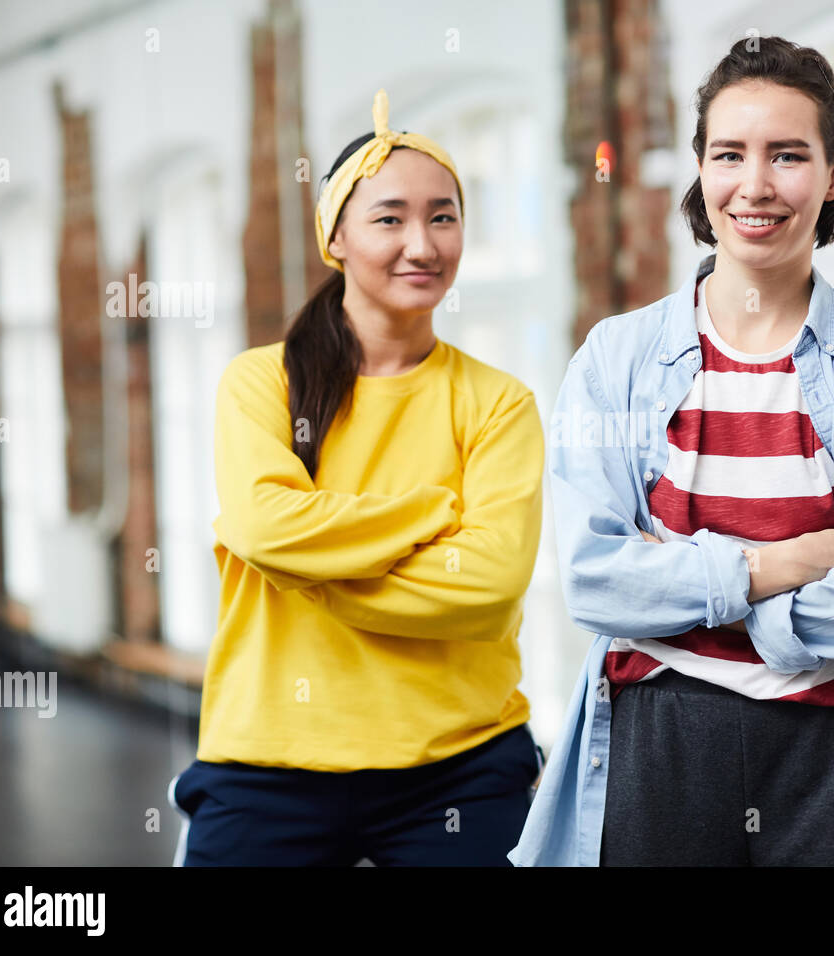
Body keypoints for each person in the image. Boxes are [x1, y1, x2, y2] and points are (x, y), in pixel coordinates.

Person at [511, 36, 834, 866]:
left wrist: (683, 581)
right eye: (729, 154)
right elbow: (595, 579)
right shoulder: (614, 360)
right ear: (699, 168)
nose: (755, 185)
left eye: (788, 155)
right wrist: (786, 563)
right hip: (661, 746)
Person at [167, 89, 545, 867]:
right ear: (334, 236)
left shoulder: (500, 403)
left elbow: (490, 586)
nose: (423, 243)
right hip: (269, 760)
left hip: (461, 764)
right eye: (389, 218)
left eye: (443, 216)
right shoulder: (259, 383)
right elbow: (268, 528)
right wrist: (431, 514)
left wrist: (303, 570)